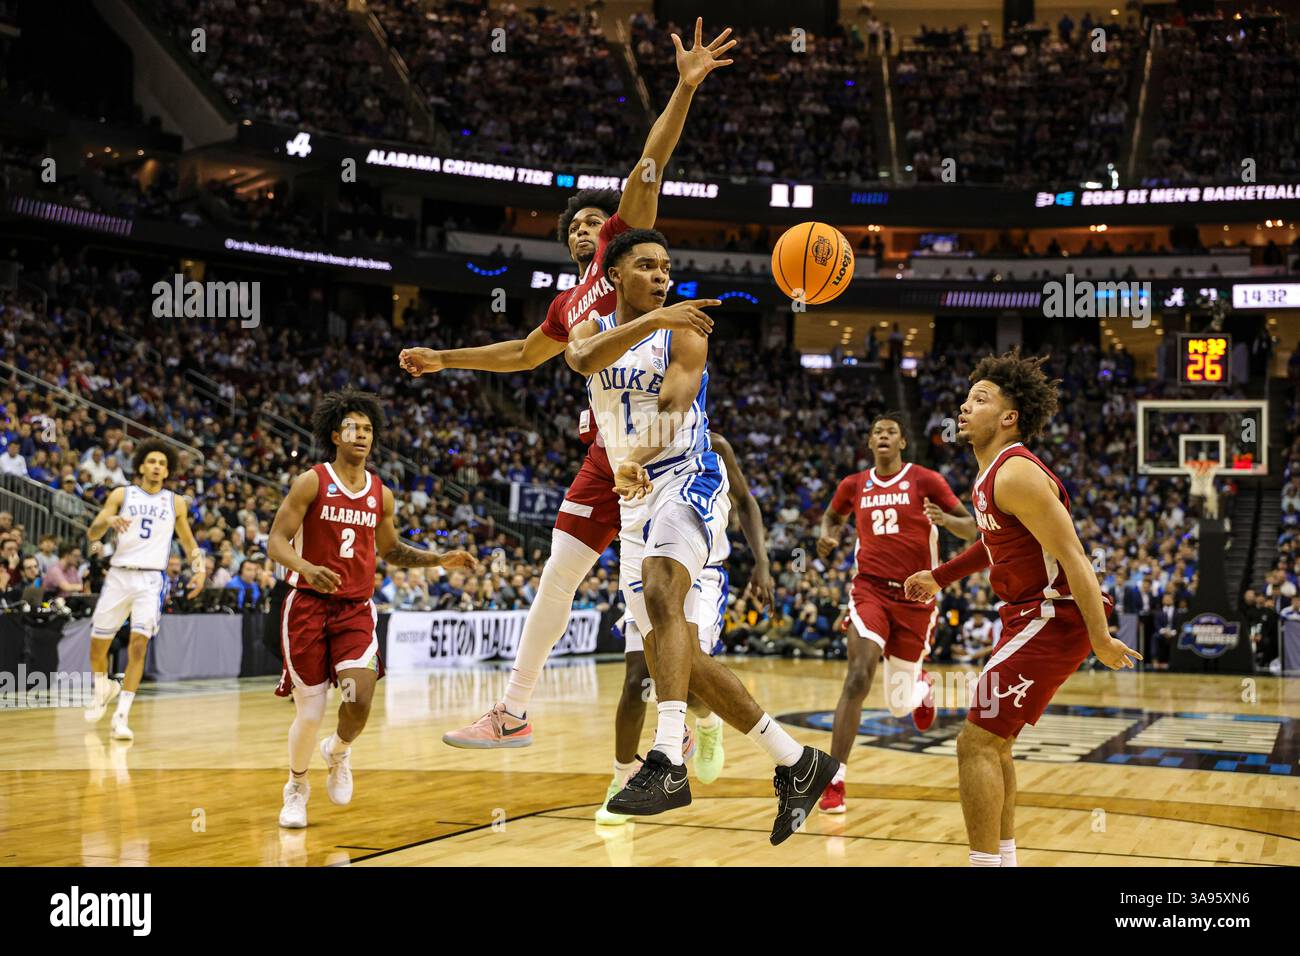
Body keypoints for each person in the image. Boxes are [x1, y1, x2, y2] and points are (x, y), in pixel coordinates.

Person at [406, 18, 736, 748]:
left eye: (600, 219)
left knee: (658, 608)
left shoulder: (631, 259)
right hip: (605, 453)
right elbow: (523, 355)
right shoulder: (568, 304)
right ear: (571, 243)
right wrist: (445, 358)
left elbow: (650, 163)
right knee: (561, 573)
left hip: (663, 446)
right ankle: (514, 711)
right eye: (581, 223)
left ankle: (685, 721)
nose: (593, 226)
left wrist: (683, 89)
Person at [570, 228, 839, 844]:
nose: (663, 275)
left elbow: (675, 398)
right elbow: (582, 360)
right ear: (614, 276)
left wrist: (637, 451)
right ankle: (799, 763)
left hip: (685, 476)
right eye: (647, 266)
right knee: (680, 661)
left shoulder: (687, 327)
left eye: (668, 266)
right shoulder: (588, 327)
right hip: (632, 498)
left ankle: (666, 760)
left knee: (665, 590)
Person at [904, 349, 1139, 866]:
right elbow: (994, 545)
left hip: (1054, 614)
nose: (964, 407)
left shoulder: (1015, 473)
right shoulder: (990, 474)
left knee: (975, 743)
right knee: (995, 741)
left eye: (980, 399)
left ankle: (986, 863)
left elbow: (1074, 556)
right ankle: (1003, 859)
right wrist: (939, 576)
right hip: (1028, 615)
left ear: (1009, 417)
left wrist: (1100, 636)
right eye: (966, 398)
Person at [267, 389, 477, 828]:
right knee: (309, 712)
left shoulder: (380, 494)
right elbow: (275, 542)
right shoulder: (312, 480)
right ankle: (297, 786)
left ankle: (339, 751)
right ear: (335, 435)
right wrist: (307, 567)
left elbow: (391, 550)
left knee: (358, 696)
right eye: (353, 428)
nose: (361, 435)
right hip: (306, 605)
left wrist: (439, 558)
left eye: (367, 429)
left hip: (354, 610)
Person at [594, 431, 774, 825]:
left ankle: (707, 724)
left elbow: (746, 503)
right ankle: (622, 779)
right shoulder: (632, 446)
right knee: (637, 680)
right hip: (649, 568)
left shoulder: (716, 446)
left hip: (703, 572)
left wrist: (761, 562)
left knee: (687, 674)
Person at [814, 412, 977, 814]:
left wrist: (946, 519)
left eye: (891, 432)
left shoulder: (926, 480)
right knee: (858, 674)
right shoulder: (854, 485)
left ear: (902, 443)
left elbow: (971, 529)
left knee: (899, 707)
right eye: (876, 432)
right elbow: (833, 516)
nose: (883, 437)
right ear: (870, 443)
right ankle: (834, 779)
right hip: (869, 590)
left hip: (916, 597)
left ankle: (920, 687)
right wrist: (828, 534)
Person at [83, 439, 206, 740]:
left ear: (167, 472)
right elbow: (93, 533)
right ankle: (103, 687)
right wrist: (108, 520)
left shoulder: (175, 502)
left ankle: (121, 717)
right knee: (98, 647)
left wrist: (200, 569)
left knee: (139, 645)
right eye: (152, 461)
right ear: (140, 466)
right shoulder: (121, 494)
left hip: (151, 580)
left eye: (162, 464)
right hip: (118, 576)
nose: (156, 467)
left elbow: (189, 542)